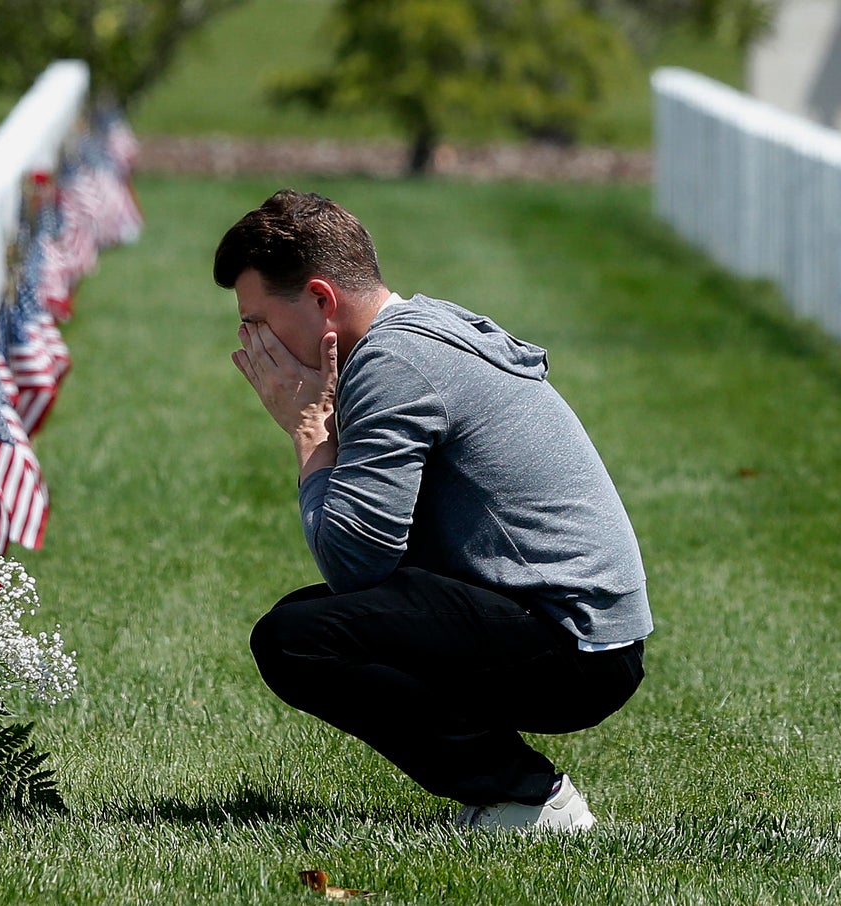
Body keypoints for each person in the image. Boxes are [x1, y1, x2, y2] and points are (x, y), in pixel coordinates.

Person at [214, 189, 651, 831]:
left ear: (319, 299)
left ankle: (528, 797)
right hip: (582, 628)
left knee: (297, 641)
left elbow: (356, 564)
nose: (250, 341)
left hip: (574, 647)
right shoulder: (416, 331)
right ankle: (516, 788)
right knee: (303, 620)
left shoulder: (392, 363)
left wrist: (310, 433)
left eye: (256, 320)